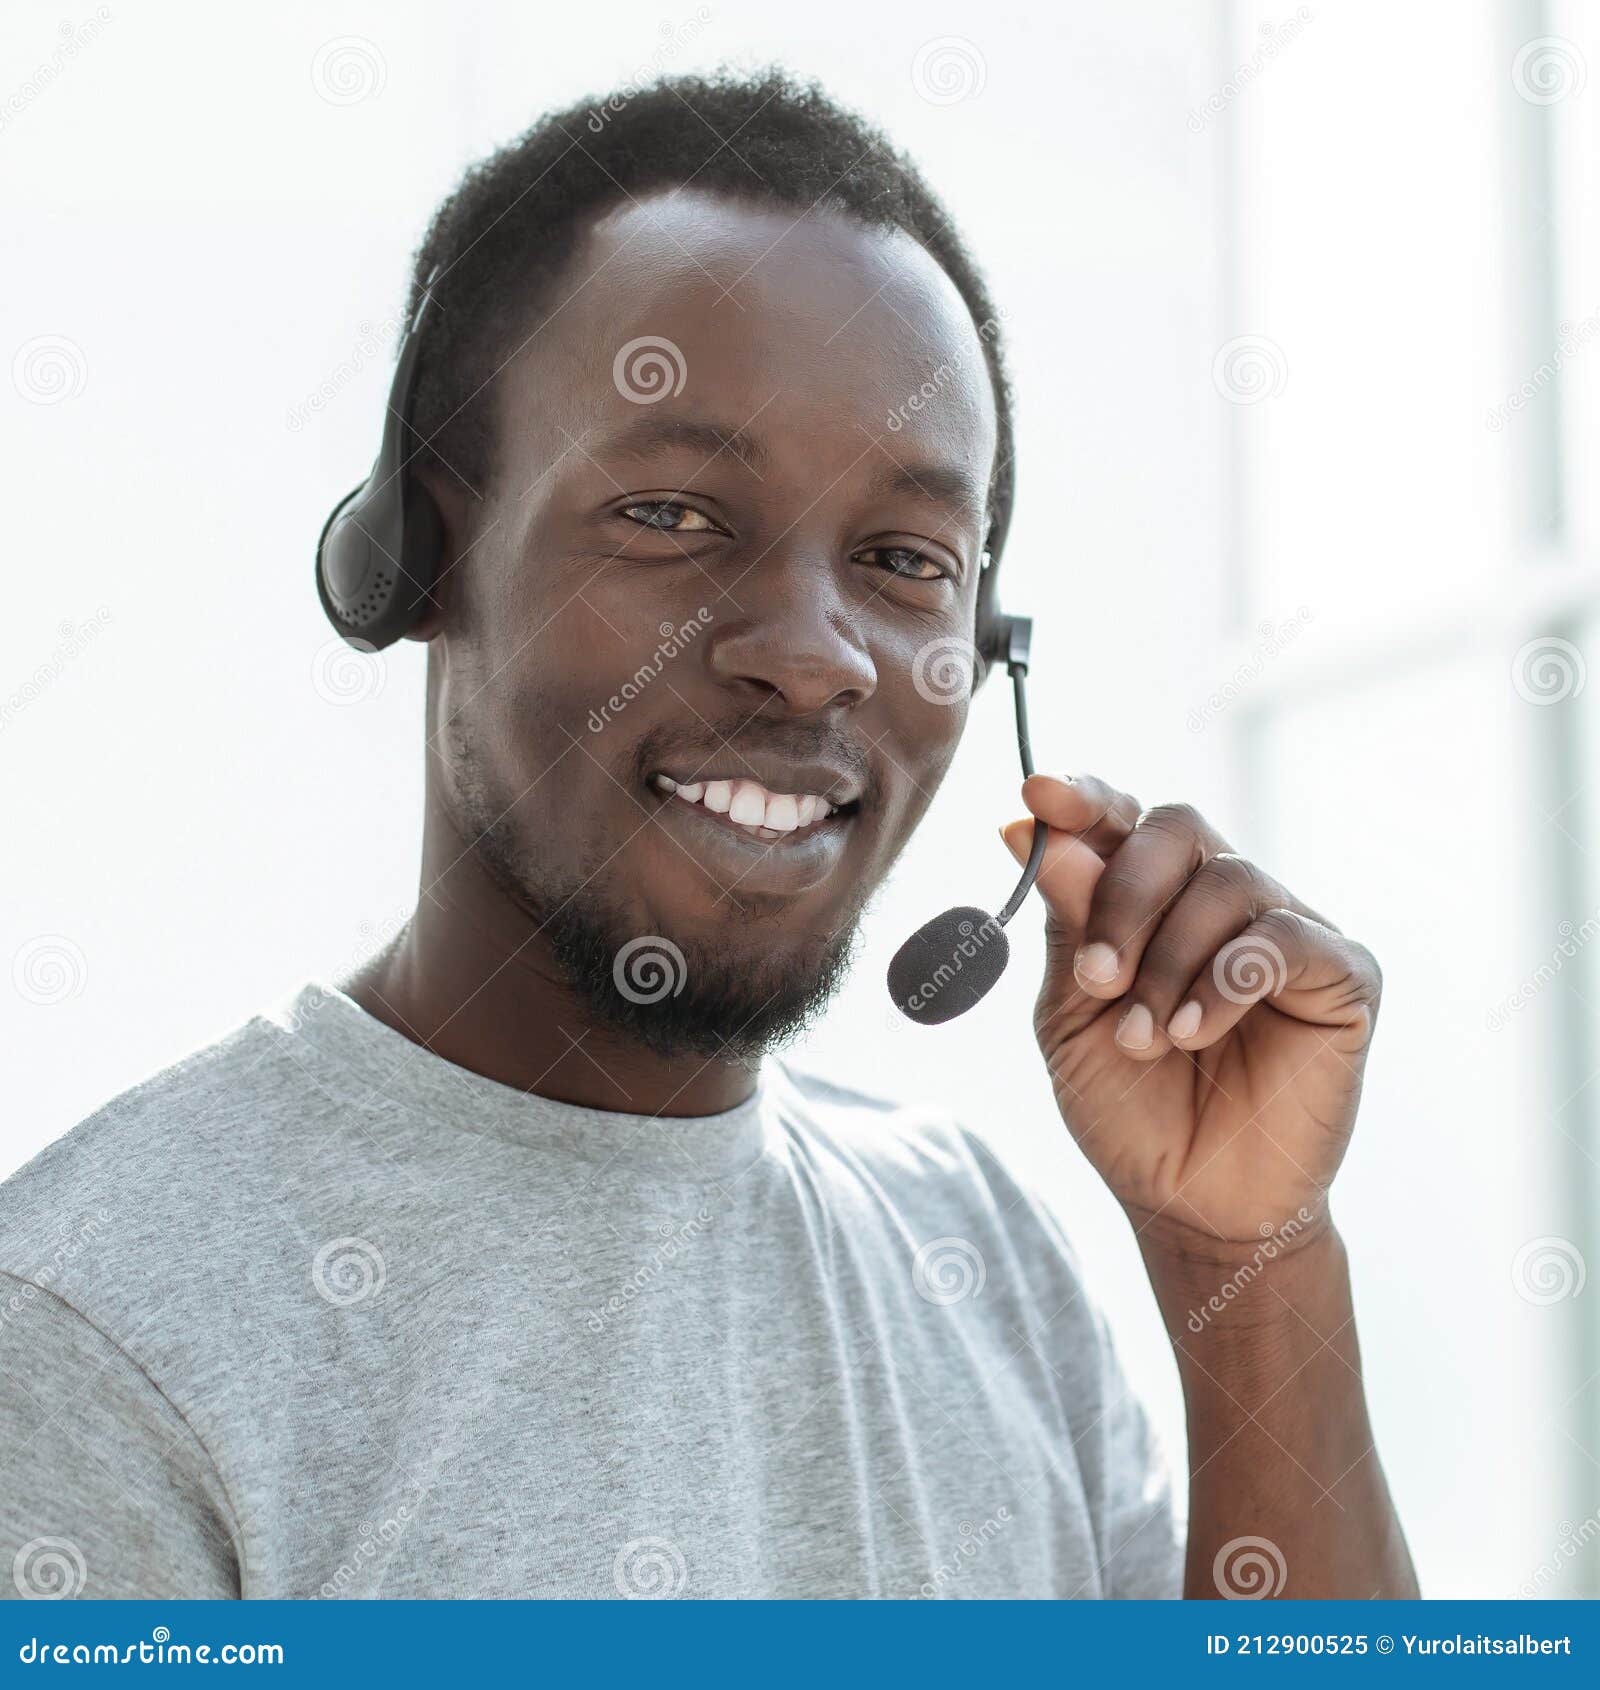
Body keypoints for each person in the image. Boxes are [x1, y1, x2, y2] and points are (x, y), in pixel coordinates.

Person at [0, 68, 1415, 1601]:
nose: (816, 654)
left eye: (901, 557)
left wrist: (1247, 1261)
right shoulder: (96, 1333)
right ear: (423, 554)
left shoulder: (984, 1256)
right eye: (673, 513)